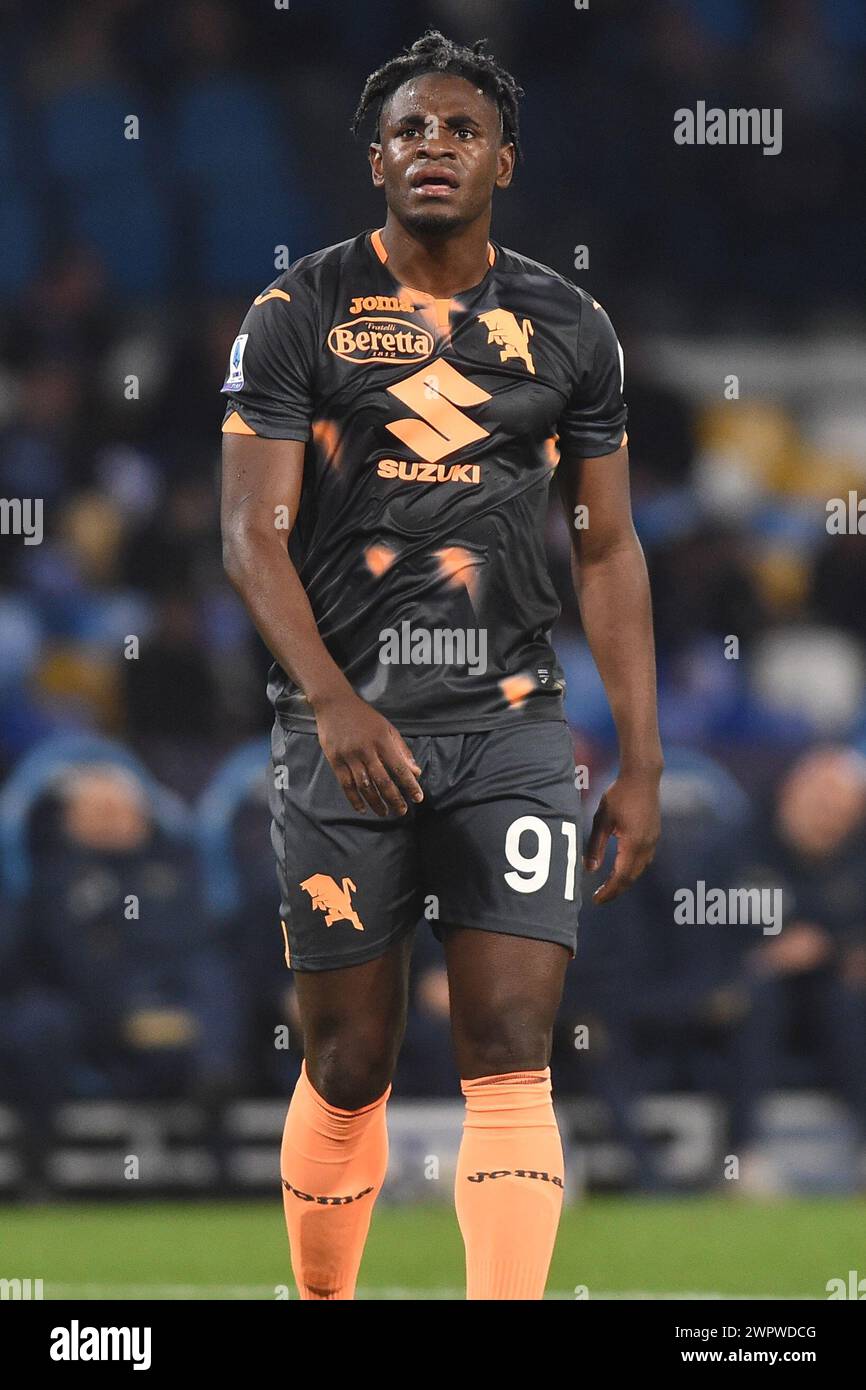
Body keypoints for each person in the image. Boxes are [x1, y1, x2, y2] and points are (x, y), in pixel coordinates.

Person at [220, 30, 662, 1300]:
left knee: (511, 1046)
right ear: (375, 161)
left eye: (458, 129)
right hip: (342, 732)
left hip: (514, 725)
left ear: (502, 162)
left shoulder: (568, 325)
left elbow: (609, 546)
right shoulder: (296, 310)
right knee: (350, 1060)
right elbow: (250, 534)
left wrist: (640, 758)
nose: (433, 147)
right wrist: (334, 701)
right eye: (410, 130)